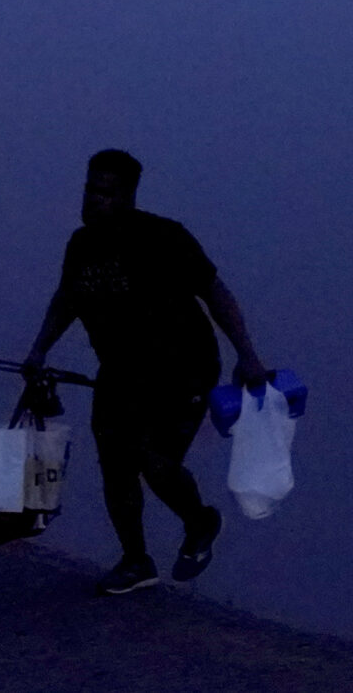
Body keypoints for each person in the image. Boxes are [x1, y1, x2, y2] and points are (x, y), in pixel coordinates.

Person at [23, 149, 269, 595]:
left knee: (155, 461)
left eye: (105, 192)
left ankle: (200, 521)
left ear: (128, 196)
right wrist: (39, 349)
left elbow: (215, 294)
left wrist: (248, 355)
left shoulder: (164, 237)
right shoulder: (81, 245)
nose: (93, 199)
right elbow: (67, 299)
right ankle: (136, 561)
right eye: (89, 189)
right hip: (120, 371)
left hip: (185, 370)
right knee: (115, 464)